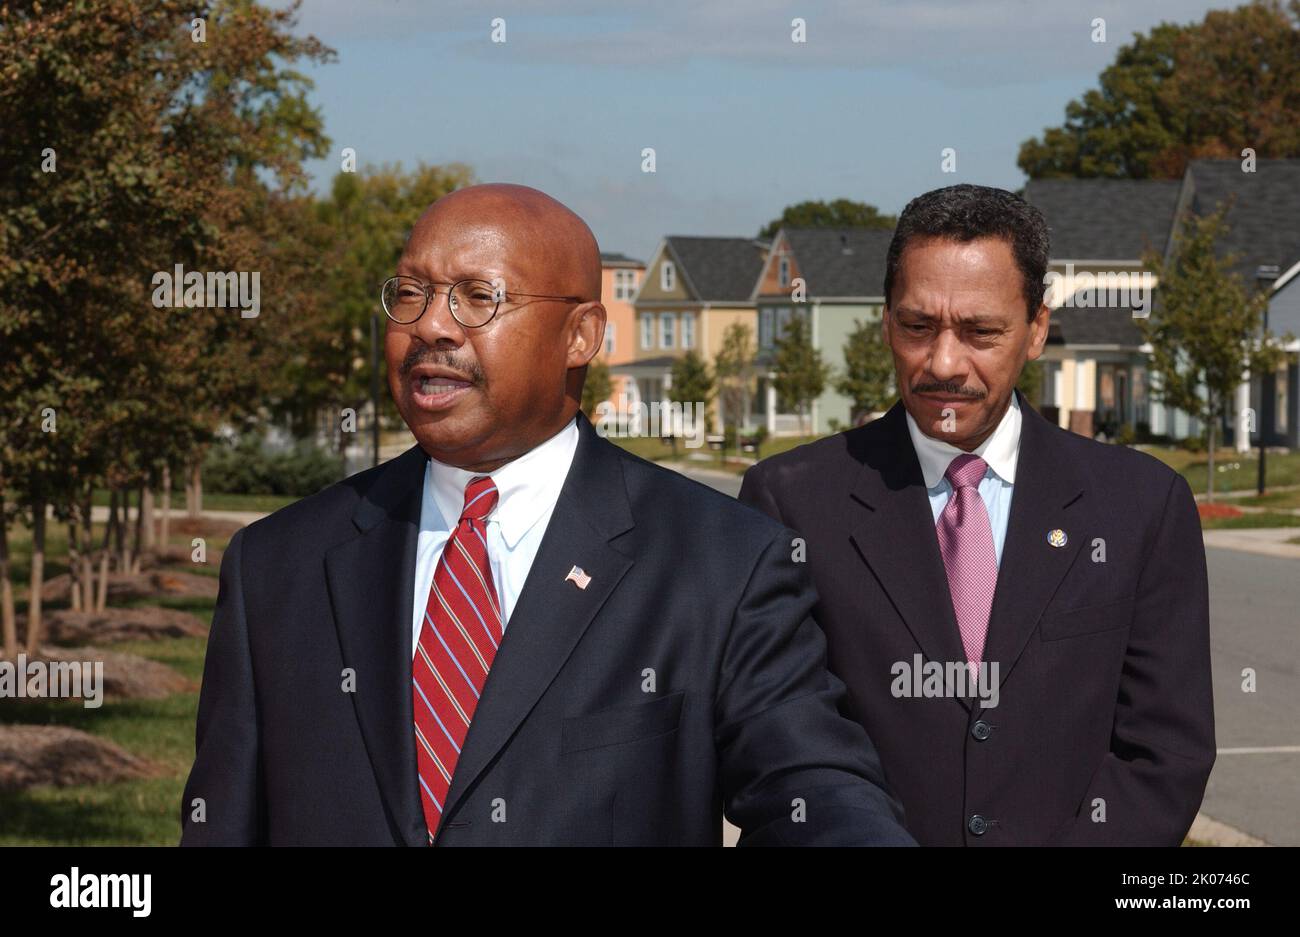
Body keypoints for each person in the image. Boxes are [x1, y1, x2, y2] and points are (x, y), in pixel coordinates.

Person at [180, 183, 912, 846]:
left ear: (582, 335)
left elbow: (811, 791)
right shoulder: (276, 567)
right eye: (410, 294)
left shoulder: (721, 561)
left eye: (476, 297)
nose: (431, 325)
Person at [740, 184, 1215, 845]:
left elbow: (1165, 752)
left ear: (1037, 330)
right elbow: (780, 738)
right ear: (885, 323)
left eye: (980, 331)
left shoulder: (1141, 507)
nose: (942, 362)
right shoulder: (789, 501)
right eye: (917, 326)